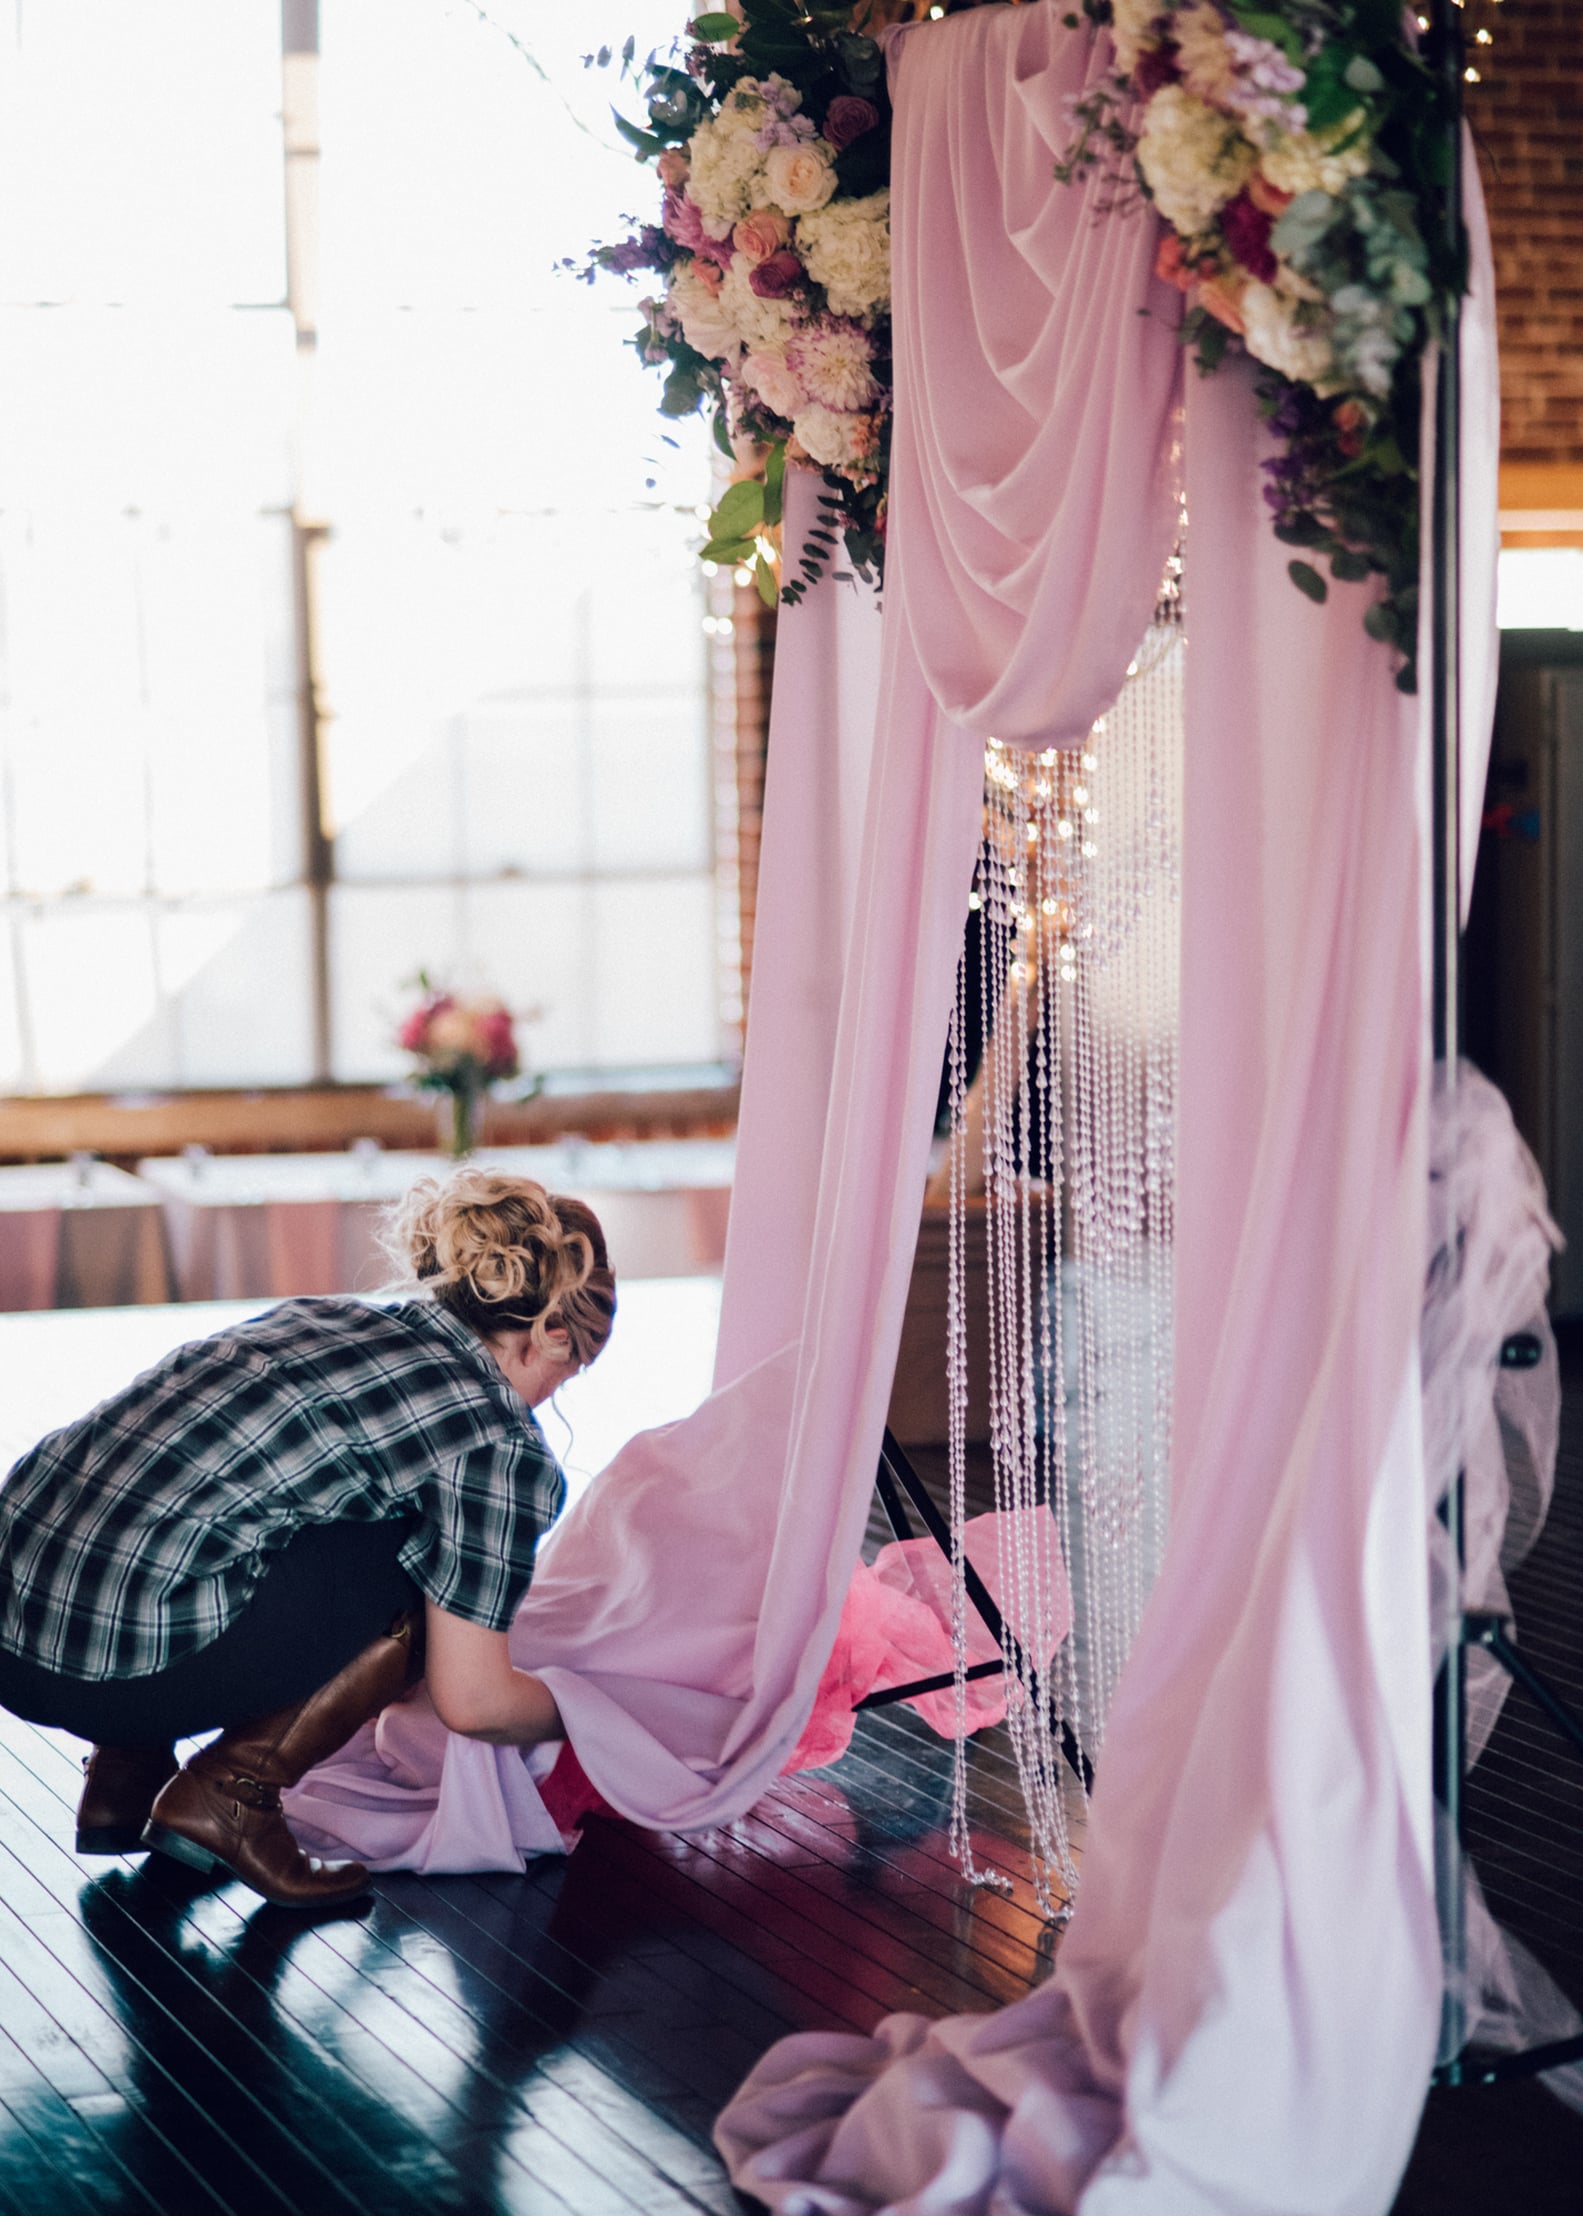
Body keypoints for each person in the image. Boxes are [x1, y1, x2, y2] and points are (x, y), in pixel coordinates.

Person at [0, 1167, 615, 1909]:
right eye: (571, 1366)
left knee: (237, 1512)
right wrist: (586, 1709)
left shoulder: (322, 1318)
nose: (556, 1394)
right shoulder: (493, 1439)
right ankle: (229, 1797)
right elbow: (474, 1701)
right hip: (115, 1675)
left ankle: (123, 1779)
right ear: (551, 1332)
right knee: (411, 1558)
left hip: (18, 1647)